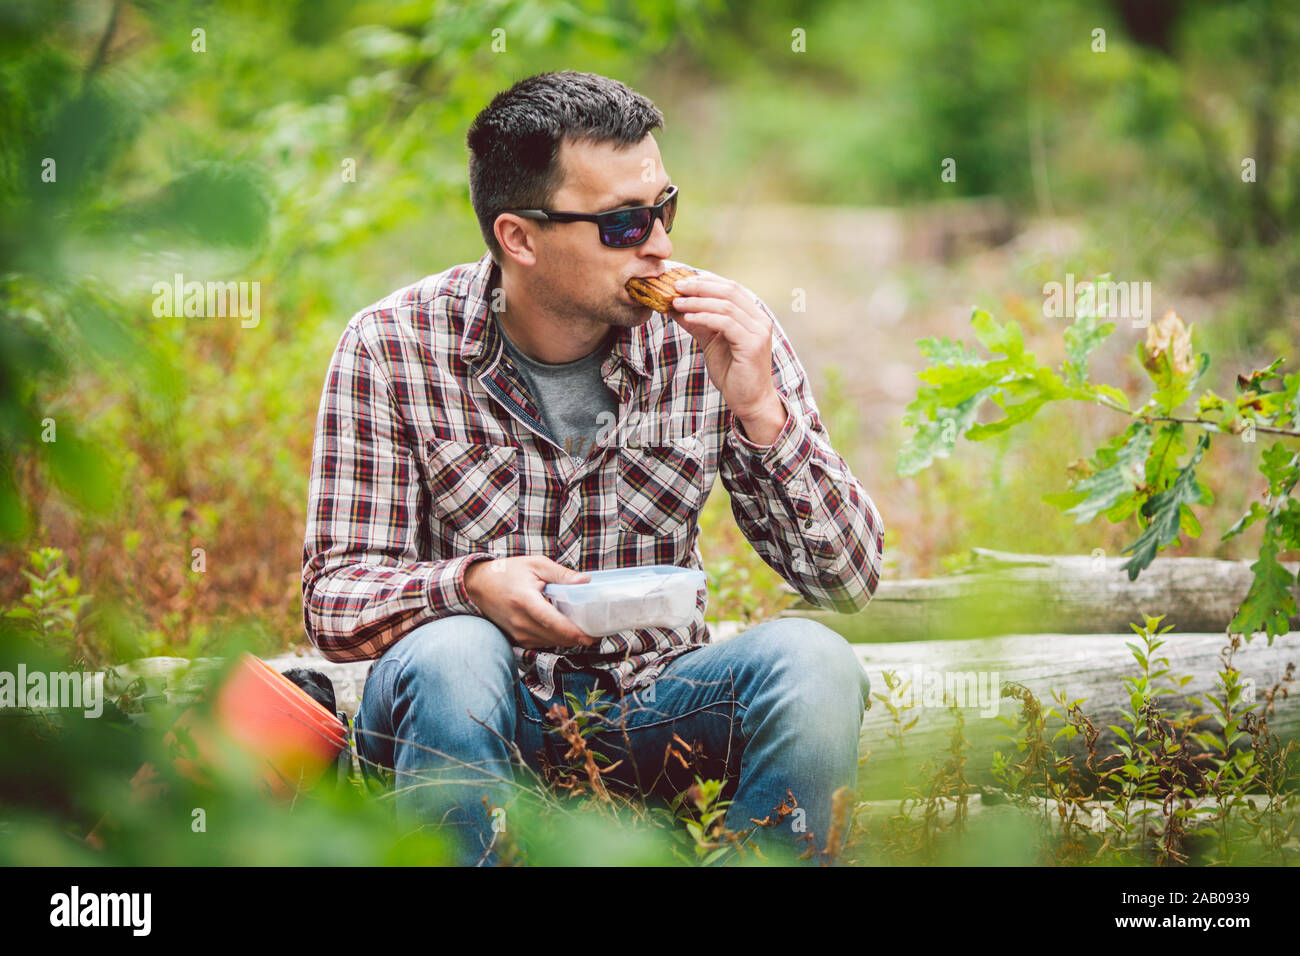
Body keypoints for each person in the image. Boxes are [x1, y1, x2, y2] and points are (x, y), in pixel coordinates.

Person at [301, 70, 885, 865]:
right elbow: (333, 597)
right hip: (473, 712)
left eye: (664, 209)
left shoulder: (715, 336)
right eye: (623, 223)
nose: (662, 244)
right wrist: (471, 588)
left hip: (654, 708)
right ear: (520, 237)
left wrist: (761, 413)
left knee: (815, 662)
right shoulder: (392, 346)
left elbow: (847, 580)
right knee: (455, 650)